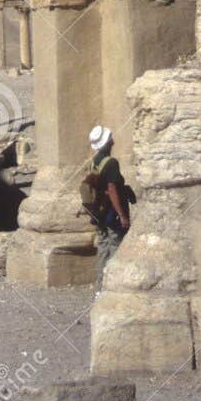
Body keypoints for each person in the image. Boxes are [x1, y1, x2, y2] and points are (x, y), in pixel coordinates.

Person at [84, 124, 130, 290]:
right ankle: (111, 287)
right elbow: (112, 190)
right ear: (106, 143)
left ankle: (100, 286)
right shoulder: (111, 163)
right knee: (115, 247)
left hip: (99, 213)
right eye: (110, 138)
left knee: (103, 249)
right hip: (111, 213)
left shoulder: (93, 162)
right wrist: (122, 215)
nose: (113, 141)